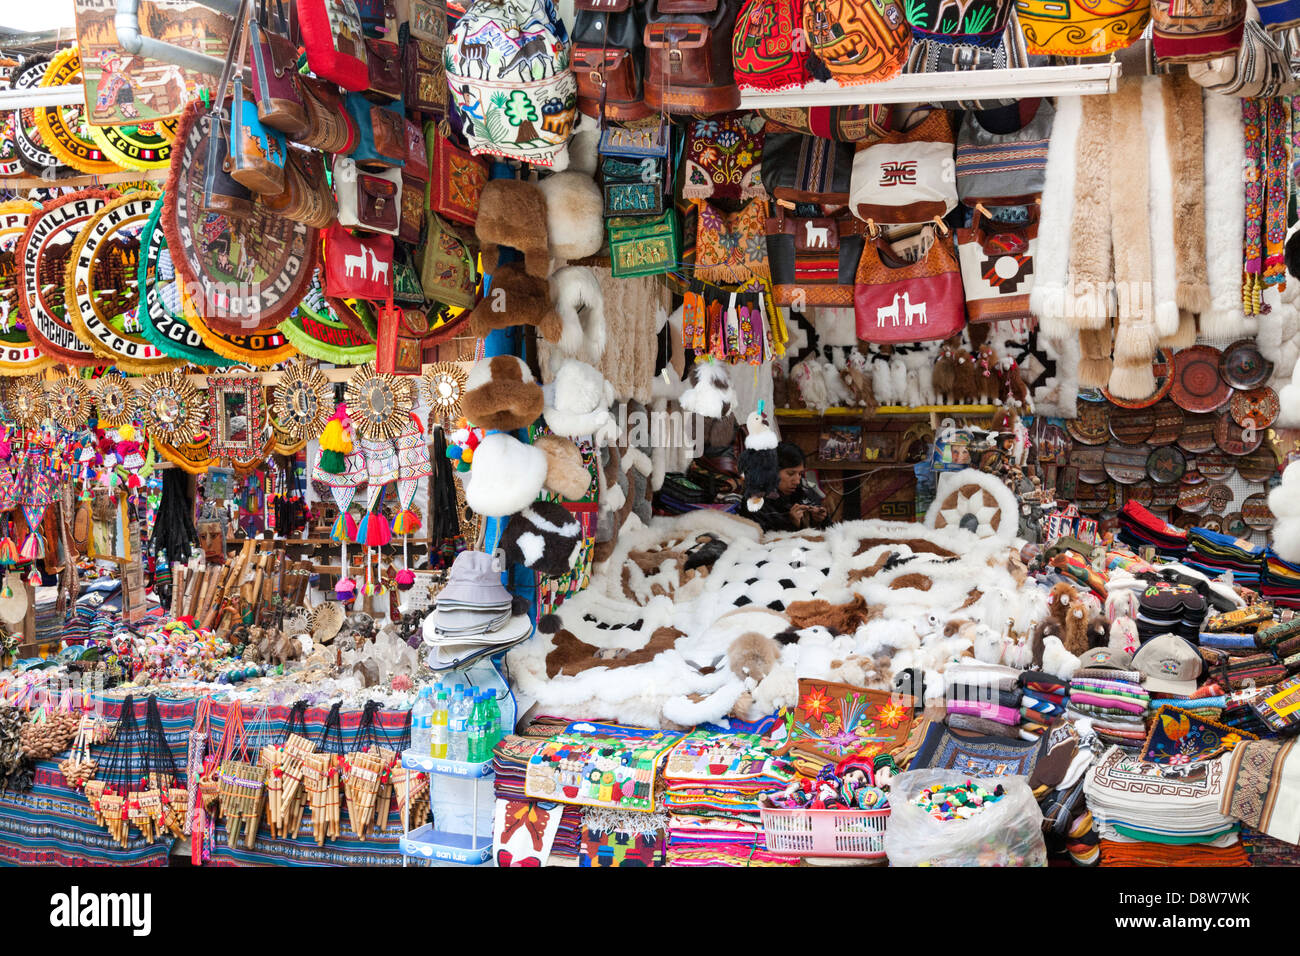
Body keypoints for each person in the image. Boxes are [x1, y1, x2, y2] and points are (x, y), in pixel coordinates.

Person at [747, 443, 828, 532]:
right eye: (790, 474)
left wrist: (820, 519)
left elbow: (829, 530)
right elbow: (764, 540)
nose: (797, 481)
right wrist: (791, 524)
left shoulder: (800, 493)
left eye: (800, 474)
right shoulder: (755, 504)